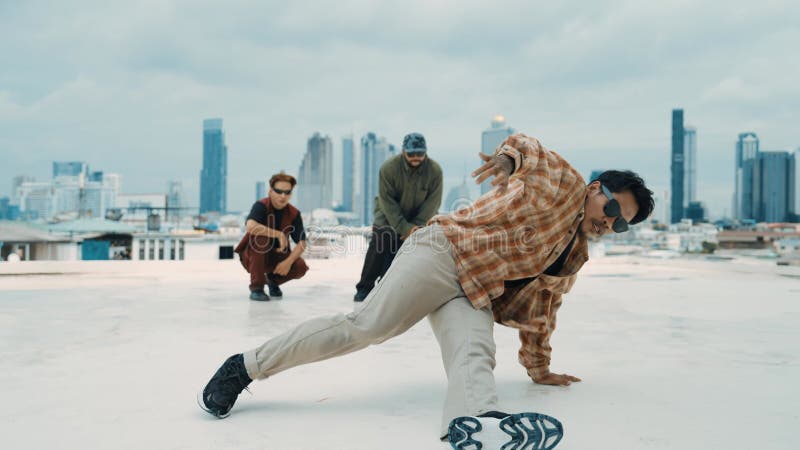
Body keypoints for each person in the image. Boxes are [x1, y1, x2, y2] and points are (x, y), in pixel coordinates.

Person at [199, 133, 654, 448]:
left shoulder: (574, 254)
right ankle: (243, 368)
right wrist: (507, 160)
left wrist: (540, 369)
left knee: (474, 353)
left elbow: (544, 310)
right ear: (596, 188)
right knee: (364, 327)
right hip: (442, 252)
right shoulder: (565, 185)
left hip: (475, 287)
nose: (609, 221)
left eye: (620, 224)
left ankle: (476, 425)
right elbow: (529, 149)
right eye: (611, 207)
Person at [354, 132, 443, 301]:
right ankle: (365, 286)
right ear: (403, 152)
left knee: (408, 248)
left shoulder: (435, 171)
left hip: (420, 218)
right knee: (382, 239)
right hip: (388, 214)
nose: (416, 157)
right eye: (411, 153)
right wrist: (405, 228)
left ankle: (391, 285)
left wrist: (415, 228)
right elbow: (387, 202)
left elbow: (433, 203)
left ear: (426, 152)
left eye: (420, 153)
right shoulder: (388, 168)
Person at [234, 172, 308, 301]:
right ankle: (257, 288)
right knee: (260, 238)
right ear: (270, 191)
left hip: (277, 257)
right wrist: (278, 234)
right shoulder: (261, 206)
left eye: (287, 192)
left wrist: (288, 262)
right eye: (278, 191)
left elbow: (302, 242)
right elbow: (251, 226)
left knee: (300, 267)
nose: (283, 196)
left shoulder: (294, 213)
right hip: (253, 256)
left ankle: (272, 281)